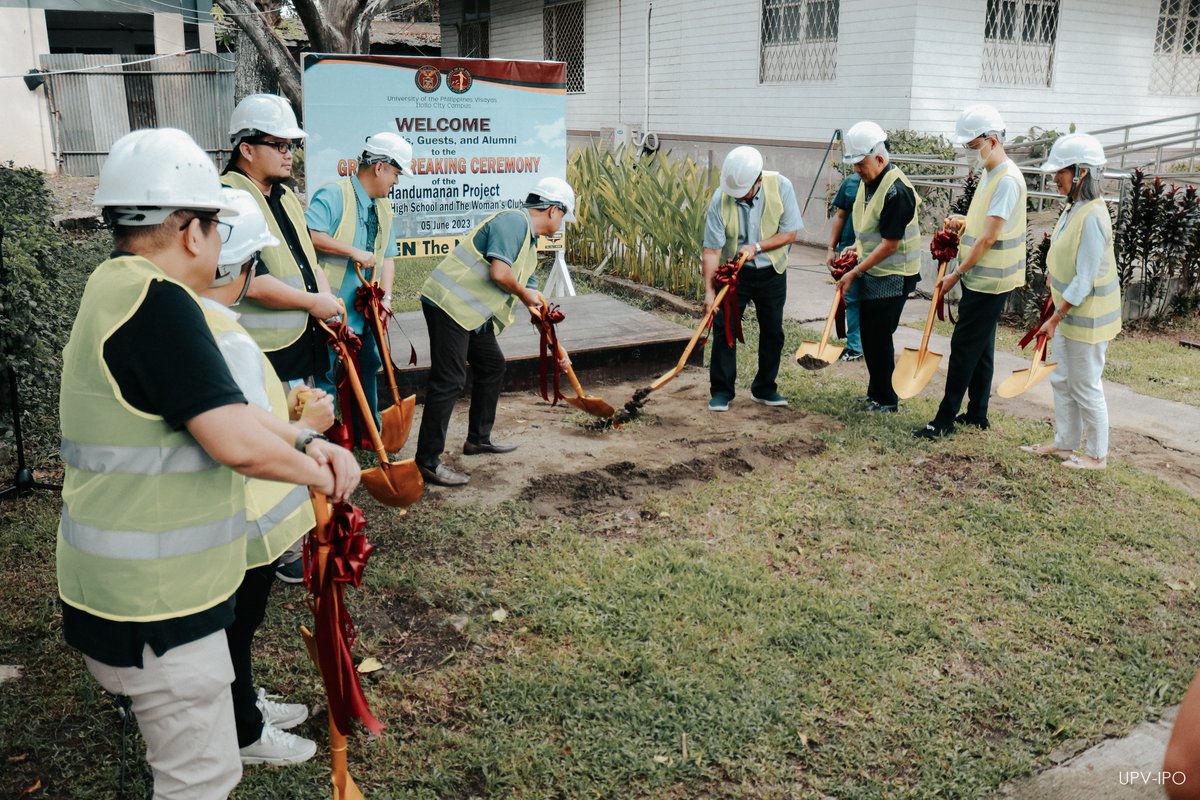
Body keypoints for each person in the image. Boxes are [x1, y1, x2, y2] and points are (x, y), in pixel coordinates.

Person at [57, 128, 360, 799]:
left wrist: (309, 445)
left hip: (116, 592)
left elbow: (218, 409)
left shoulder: (116, 287)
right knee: (200, 779)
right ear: (191, 231)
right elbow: (235, 442)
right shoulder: (162, 305)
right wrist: (322, 478)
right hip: (156, 604)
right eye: (218, 229)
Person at [200, 188, 337, 766]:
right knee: (237, 621)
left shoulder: (203, 320)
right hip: (243, 515)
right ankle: (243, 731)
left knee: (241, 623)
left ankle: (241, 704)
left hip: (238, 514)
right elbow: (246, 438)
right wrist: (309, 429)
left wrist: (284, 402)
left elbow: (239, 409)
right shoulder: (222, 334)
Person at [221, 93, 341, 583]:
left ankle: (309, 523)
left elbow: (309, 265)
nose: (289, 153)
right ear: (247, 148)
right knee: (279, 434)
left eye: (292, 145)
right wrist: (315, 304)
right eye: (279, 144)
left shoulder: (286, 195)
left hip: (304, 334)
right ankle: (286, 548)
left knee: (306, 426)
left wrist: (327, 302)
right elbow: (246, 282)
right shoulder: (230, 199)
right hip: (265, 347)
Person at [414, 176, 576, 487]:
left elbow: (534, 301)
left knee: (492, 365)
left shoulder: (529, 243)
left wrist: (558, 347)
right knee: (449, 380)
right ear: (554, 210)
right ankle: (427, 461)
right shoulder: (513, 222)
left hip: (473, 315)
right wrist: (524, 294)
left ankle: (478, 439)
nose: (562, 222)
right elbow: (500, 273)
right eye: (564, 216)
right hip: (448, 305)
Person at [915, 104, 1027, 439]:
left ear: (992, 140)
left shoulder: (1007, 179)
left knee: (965, 346)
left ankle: (944, 419)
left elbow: (991, 237)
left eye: (973, 145)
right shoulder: (992, 174)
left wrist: (957, 274)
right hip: (987, 276)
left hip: (990, 279)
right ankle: (977, 412)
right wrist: (964, 220)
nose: (970, 152)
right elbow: (985, 224)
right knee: (982, 346)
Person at [1018, 133, 1121, 470]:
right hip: (1069, 313)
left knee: (1085, 384)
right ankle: (1065, 443)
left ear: (1082, 173)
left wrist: (1054, 317)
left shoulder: (1092, 215)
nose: (1054, 178)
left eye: (1060, 171)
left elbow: (1086, 278)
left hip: (1085, 318)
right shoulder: (1073, 207)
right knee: (1063, 380)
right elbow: (1066, 255)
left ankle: (1096, 455)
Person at [308, 132, 414, 433]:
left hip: (365, 307)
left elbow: (388, 256)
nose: (396, 182)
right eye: (396, 173)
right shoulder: (333, 195)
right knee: (326, 371)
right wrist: (353, 252)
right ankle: (327, 437)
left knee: (369, 362)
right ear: (380, 167)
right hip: (330, 306)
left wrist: (387, 301)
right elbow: (310, 236)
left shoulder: (382, 206)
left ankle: (367, 430)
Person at [702, 145, 802, 412]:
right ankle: (722, 391)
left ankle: (765, 388)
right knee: (725, 329)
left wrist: (757, 247)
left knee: (773, 331)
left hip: (772, 270)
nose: (740, 197)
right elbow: (712, 249)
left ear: (758, 180)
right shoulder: (720, 198)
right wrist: (709, 292)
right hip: (736, 274)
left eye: (745, 192)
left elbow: (790, 232)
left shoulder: (781, 187)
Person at [835, 121, 923, 413]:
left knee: (879, 335)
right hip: (874, 268)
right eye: (855, 165)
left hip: (895, 274)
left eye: (861, 164)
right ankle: (876, 393)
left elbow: (890, 244)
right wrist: (856, 248)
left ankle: (887, 399)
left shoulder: (897, 191)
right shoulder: (868, 183)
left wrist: (854, 271)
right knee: (872, 335)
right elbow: (868, 229)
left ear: (880, 158)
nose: (857, 170)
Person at [827, 170, 863, 362]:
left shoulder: (889, 185)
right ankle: (854, 346)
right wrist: (831, 248)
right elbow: (841, 215)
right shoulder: (851, 183)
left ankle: (868, 343)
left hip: (876, 253)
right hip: (848, 252)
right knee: (851, 298)